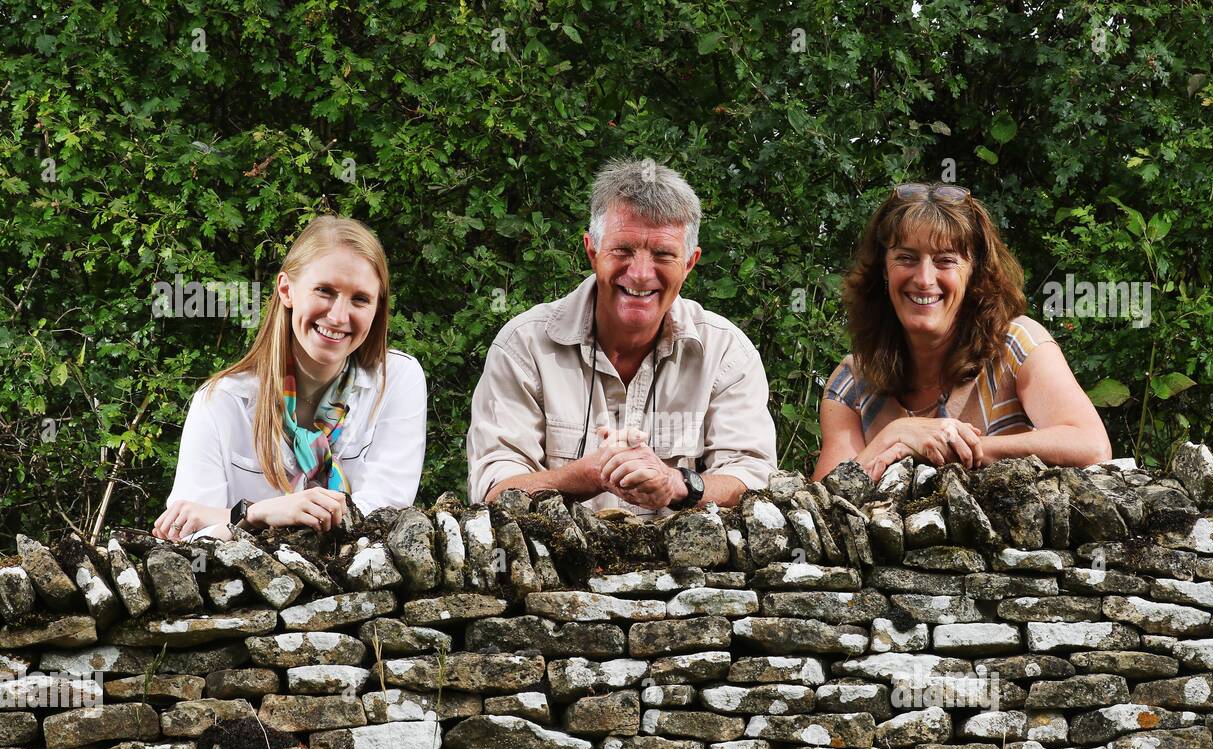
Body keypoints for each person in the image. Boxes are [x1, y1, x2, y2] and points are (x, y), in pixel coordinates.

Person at [467, 158, 777, 513]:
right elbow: (493, 490)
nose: (642, 274)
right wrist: (588, 476)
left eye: (663, 254)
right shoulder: (523, 346)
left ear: (689, 263)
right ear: (592, 251)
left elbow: (756, 479)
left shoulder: (726, 352)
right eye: (623, 250)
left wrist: (678, 483)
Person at [813, 183, 1111, 484]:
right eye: (906, 258)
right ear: (884, 269)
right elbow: (821, 505)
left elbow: (1091, 446)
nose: (924, 279)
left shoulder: (1016, 345)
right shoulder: (852, 382)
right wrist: (894, 435)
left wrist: (961, 448)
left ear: (974, 272)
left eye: (945, 260)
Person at [153, 215, 427, 541]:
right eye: (324, 291)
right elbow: (187, 540)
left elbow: (384, 515)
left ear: (377, 306)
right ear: (286, 290)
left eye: (360, 299)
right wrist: (255, 513)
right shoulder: (222, 402)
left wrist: (231, 518)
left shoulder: (397, 380)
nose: (339, 317)